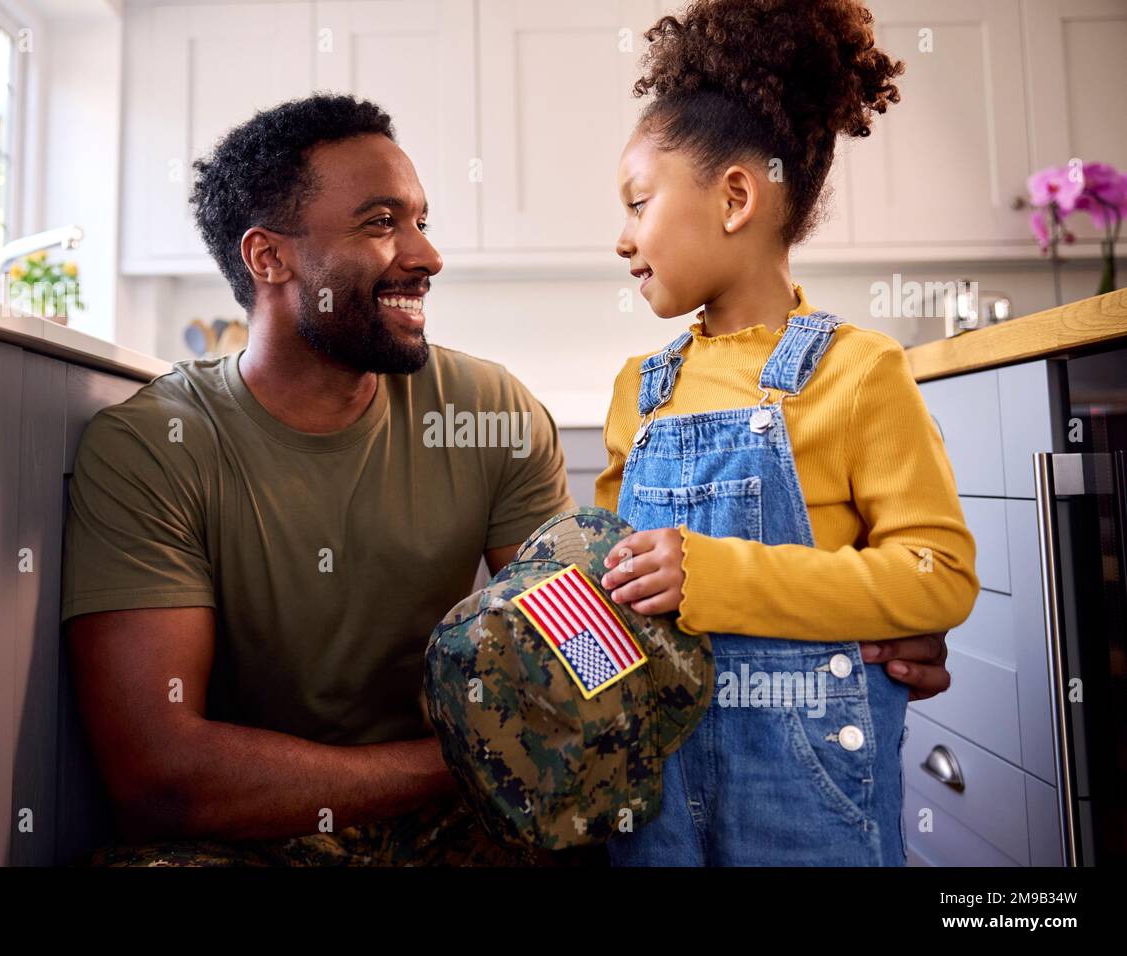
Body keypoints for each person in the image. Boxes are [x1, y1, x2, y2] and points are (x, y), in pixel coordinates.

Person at [61, 92, 957, 866]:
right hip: (266, 829)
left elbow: (598, 630)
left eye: (422, 219)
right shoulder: (153, 446)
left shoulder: (488, 408)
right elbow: (161, 777)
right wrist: (484, 759)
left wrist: (847, 621)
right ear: (269, 259)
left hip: (469, 818)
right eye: (382, 224)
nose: (426, 254)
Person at [596, 0, 979, 866]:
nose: (621, 239)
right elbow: (610, 585)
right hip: (651, 803)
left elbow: (939, 577)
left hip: (808, 808)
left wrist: (716, 574)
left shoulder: (860, 372)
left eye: (637, 204)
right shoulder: (637, 393)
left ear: (736, 196)